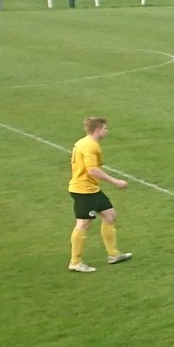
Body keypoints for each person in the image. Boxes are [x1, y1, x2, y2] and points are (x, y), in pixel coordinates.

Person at [67, 116, 131, 273]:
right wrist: (115, 181)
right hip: (83, 190)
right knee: (83, 224)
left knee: (110, 215)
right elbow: (92, 170)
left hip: (92, 189)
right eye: (105, 128)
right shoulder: (90, 146)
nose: (107, 131)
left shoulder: (83, 142)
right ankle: (75, 262)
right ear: (98, 129)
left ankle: (113, 254)